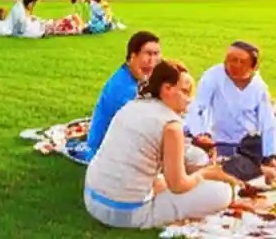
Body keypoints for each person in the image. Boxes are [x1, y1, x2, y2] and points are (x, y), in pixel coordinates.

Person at [83, 60, 237, 229]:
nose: (190, 100)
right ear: (166, 89)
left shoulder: (133, 105)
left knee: (164, 177)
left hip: (92, 199)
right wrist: (206, 174)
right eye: (185, 92)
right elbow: (178, 185)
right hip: (126, 214)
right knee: (221, 192)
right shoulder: (171, 125)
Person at [186, 41, 276, 183]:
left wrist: (269, 156)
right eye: (232, 60)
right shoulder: (213, 76)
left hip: (248, 145)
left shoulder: (259, 87)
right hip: (218, 143)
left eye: (242, 62)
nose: (235, 65)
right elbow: (199, 107)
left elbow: (267, 122)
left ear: (254, 66)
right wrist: (200, 133)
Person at [85, 31, 162, 159]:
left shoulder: (131, 76)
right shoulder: (124, 89)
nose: (152, 60)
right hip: (106, 152)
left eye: (156, 54)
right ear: (133, 56)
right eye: (148, 54)